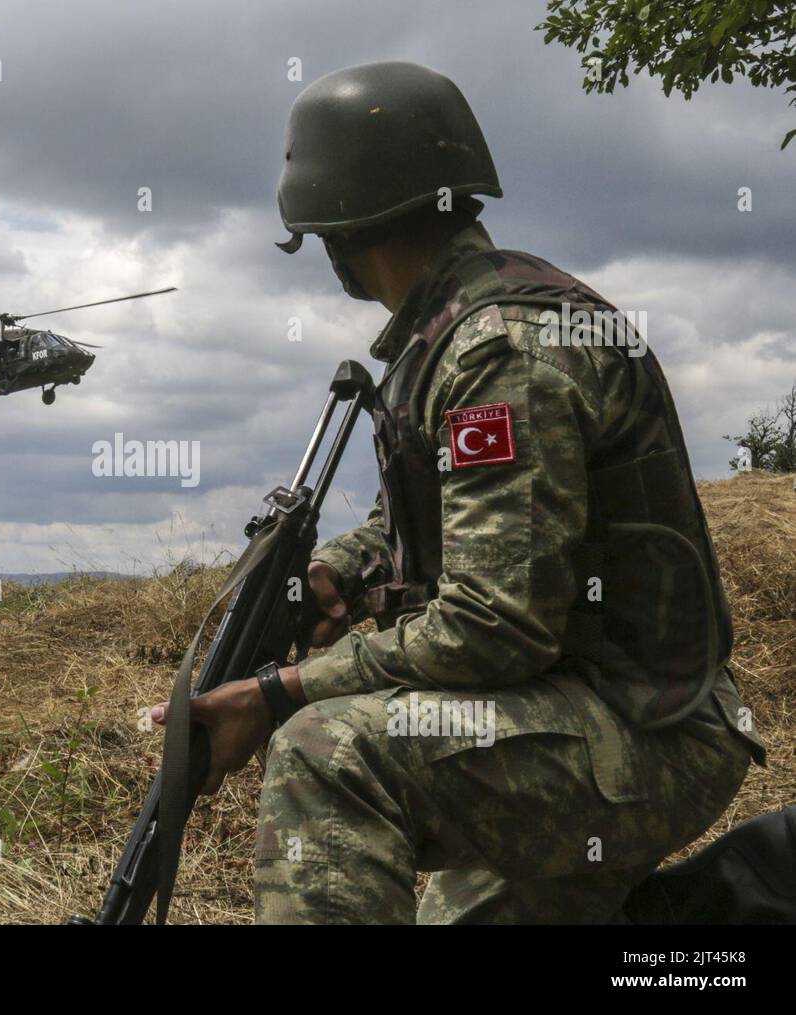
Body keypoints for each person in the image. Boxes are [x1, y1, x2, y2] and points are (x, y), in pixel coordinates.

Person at [152, 61, 766, 924]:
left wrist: (285, 690)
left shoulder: (498, 352)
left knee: (329, 755)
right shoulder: (455, 333)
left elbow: (493, 625)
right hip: (578, 712)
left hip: (642, 730)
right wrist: (340, 576)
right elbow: (416, 522)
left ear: (339, 226)